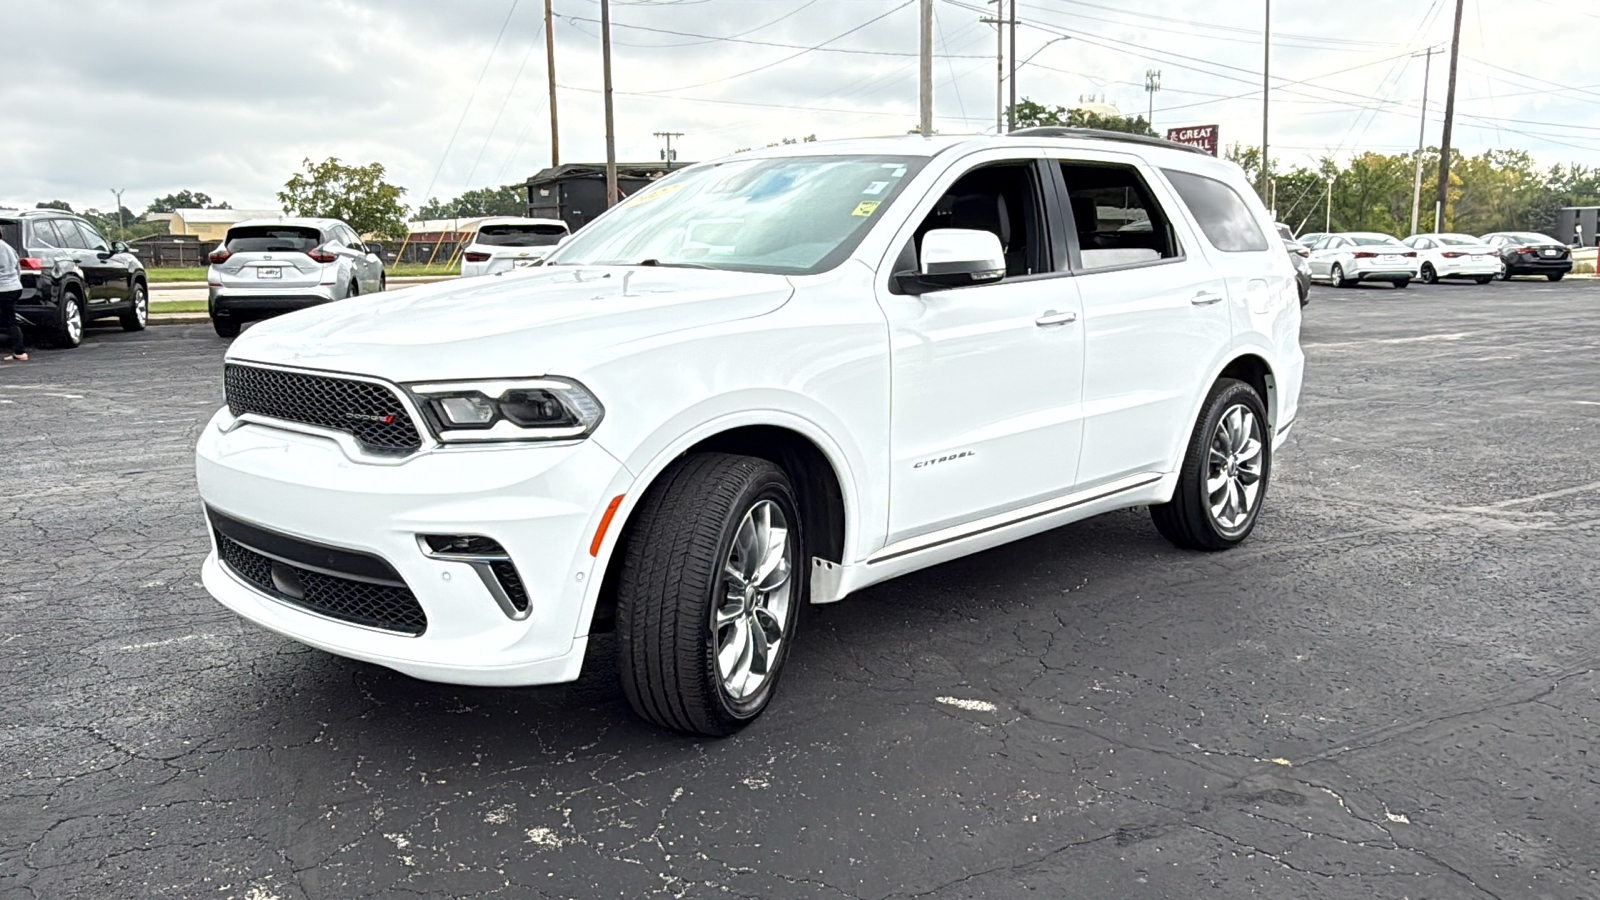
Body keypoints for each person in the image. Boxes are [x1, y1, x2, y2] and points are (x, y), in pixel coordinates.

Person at [0, 233, 24, 361]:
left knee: (9, 320)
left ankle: (20, 352)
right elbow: (17, 268)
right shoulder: (9, 248)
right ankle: (19, 352)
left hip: (2, 288)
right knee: (10, 320)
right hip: (14, 287)